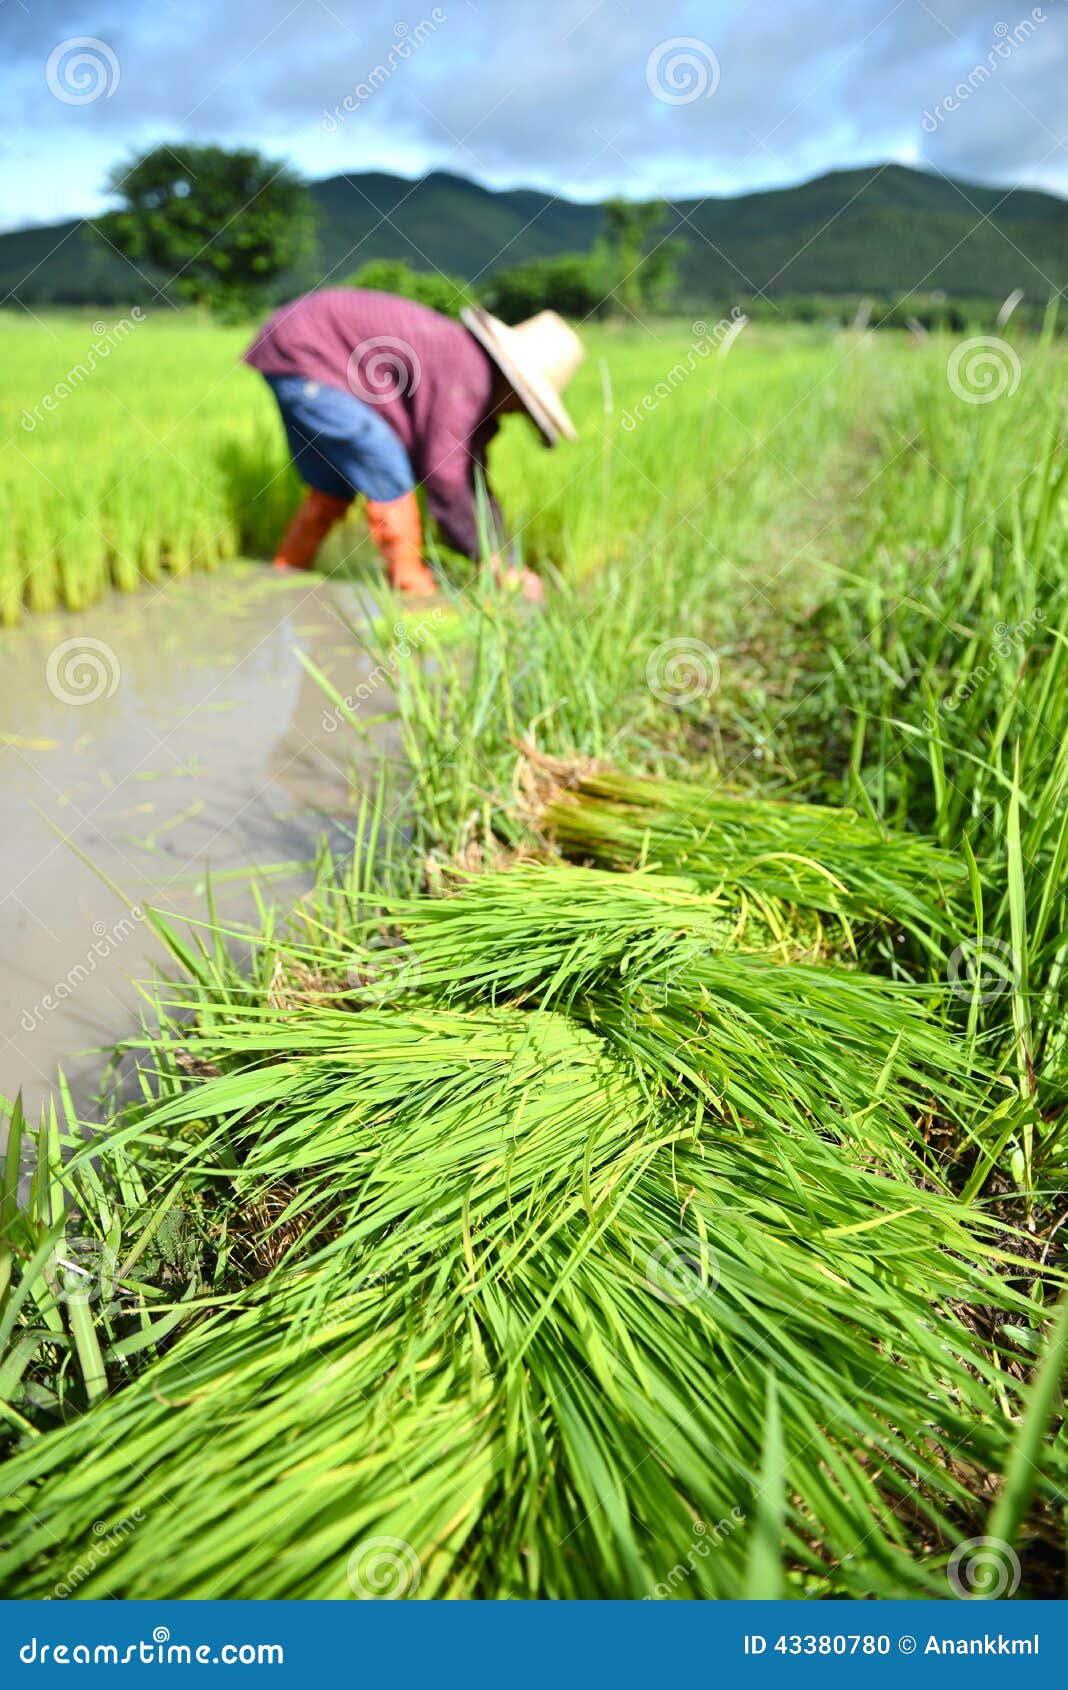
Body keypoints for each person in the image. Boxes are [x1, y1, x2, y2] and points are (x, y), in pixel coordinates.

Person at [243, 288, 585, 598]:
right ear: (514, 386)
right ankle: (414, 594)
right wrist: (494, 564)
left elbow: (472, 477)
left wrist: (503, 556)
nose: (516, 413)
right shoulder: (470, 375)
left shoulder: (473, 373)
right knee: (383, 459)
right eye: (523, 405)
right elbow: (447, 476)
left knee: (333, 485)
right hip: (306, 350)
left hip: (301, 348)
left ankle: (285, 572)